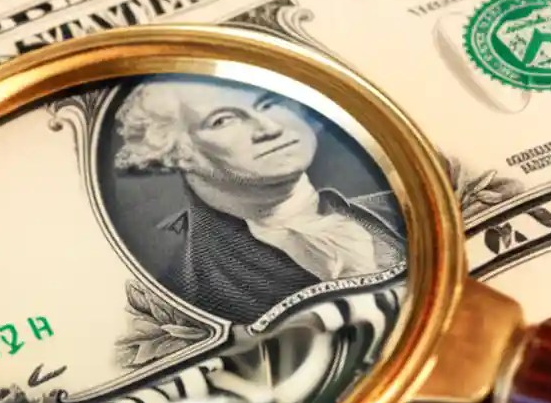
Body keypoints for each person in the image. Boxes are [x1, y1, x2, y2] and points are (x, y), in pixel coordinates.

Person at [111, 75, 406, 326]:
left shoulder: (394, 211)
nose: (270, 128)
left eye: (268, 103)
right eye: (223, 120)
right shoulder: (188, 291)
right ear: (174, 151)